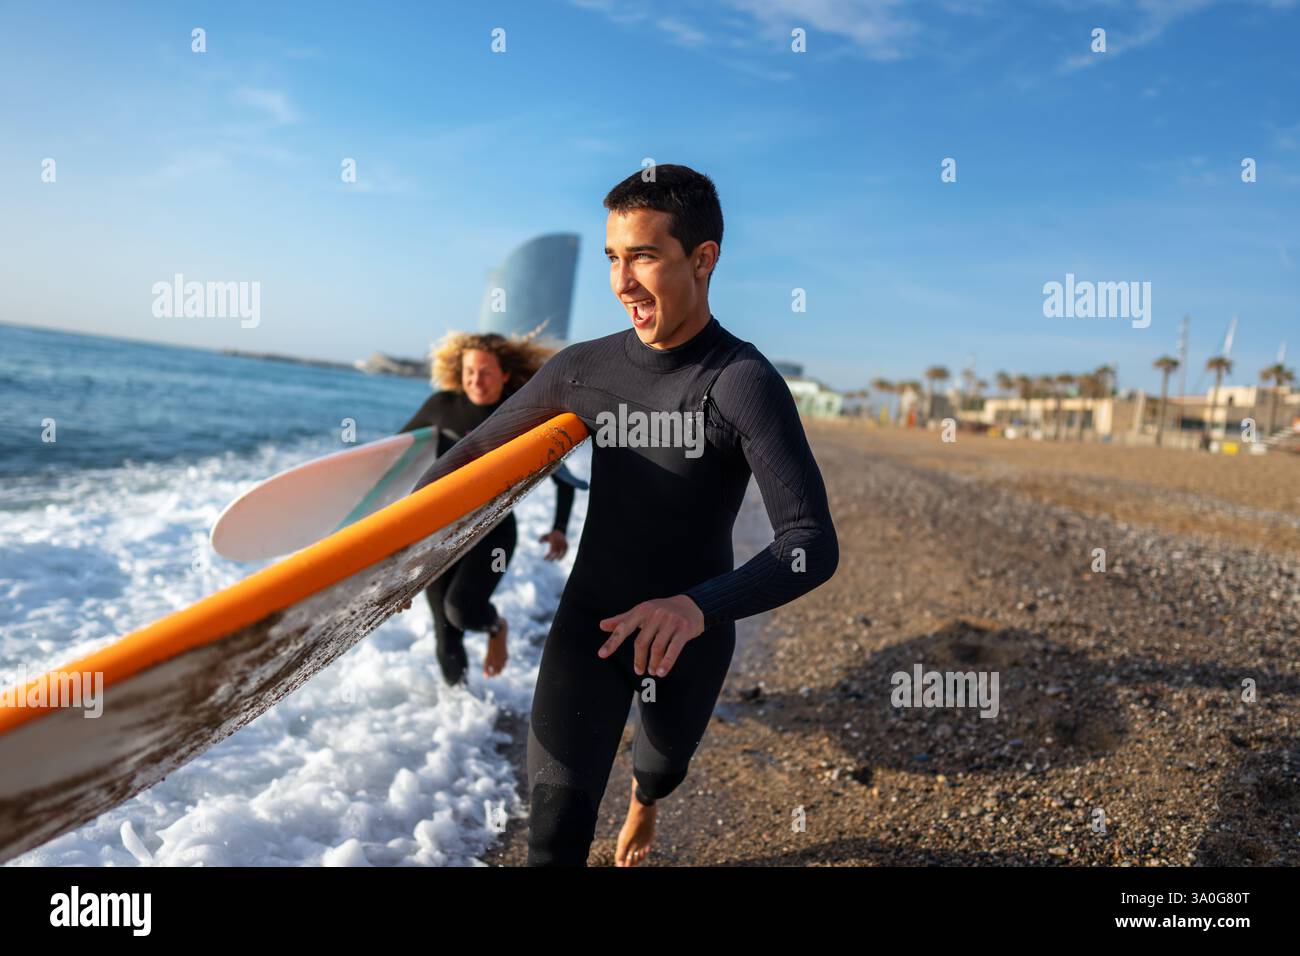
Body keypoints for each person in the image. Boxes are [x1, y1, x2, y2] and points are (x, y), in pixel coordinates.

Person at [411, 164, 839, 866]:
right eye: (613, 257)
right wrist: (382, 550)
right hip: (589, 624)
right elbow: (469, 460)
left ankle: (644, 805)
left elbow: (810, 543)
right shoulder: (584, 369)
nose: (622, 281)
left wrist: (695, 608)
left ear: (703, 260)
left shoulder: (742, 382)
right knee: (550, 838)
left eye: (643, 255)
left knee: (661, 769)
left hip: (687, 633)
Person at [398, 330, 579, 687]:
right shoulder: (441, 406)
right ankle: (460, 704)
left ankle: (496, 627)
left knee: (461, 610)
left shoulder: (521, 413)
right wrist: (397, 556)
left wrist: (559, 528)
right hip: (441, 530)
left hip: (492, 532)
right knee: (445, 632)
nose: (475, 381)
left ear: (505, 375)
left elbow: (566, 479)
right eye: (469, 372)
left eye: (485, 372)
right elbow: (397, 457)